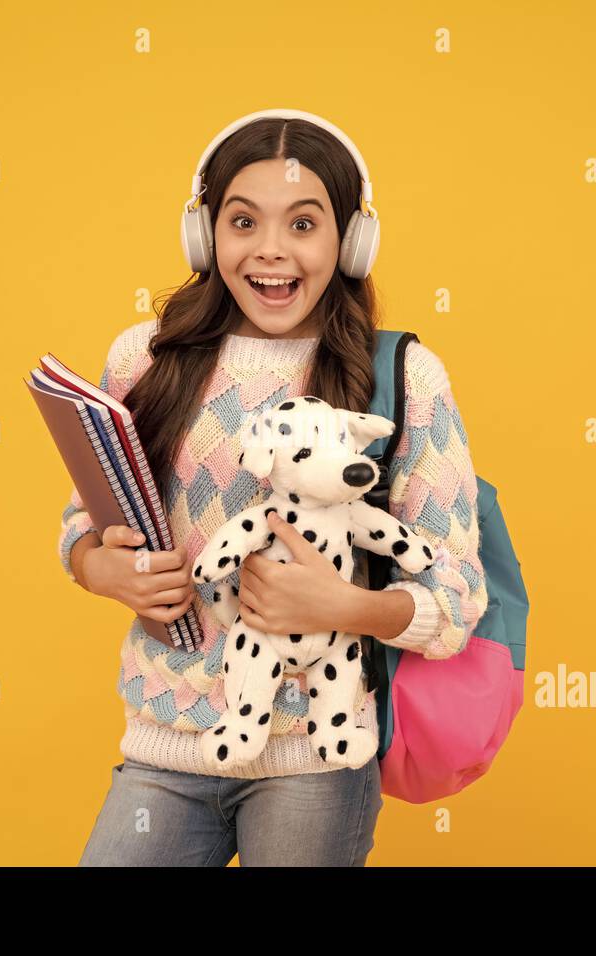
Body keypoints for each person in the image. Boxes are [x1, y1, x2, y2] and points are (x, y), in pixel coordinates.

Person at [62, 111, 489, 866]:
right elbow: (83, 524)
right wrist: (102, 568)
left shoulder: (405, 379)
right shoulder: (144, 359)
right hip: (166, 746)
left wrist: (346, 605)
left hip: (317, 762)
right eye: (242, 221)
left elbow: (458, 596)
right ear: (205, 235)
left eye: (302, 223)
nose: (270, 251)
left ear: (350, 241)